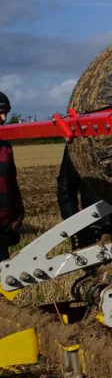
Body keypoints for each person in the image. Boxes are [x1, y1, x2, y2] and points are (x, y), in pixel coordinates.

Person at [0, 91, 24, 257]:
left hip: (3, 227)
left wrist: (17, 217)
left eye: (5, 113)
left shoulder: (5, 146)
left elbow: (11, 183)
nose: (3, 119)